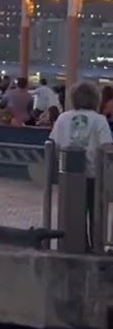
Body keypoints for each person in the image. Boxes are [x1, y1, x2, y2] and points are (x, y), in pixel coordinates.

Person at [48, 82, 113, 250]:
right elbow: (107, 147)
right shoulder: (99, 120)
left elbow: (53, 144)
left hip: (67, 175)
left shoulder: (63, 118)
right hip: (93, 175)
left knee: (71, 213)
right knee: (96, 214)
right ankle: (96, 245)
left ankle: (72, 243)